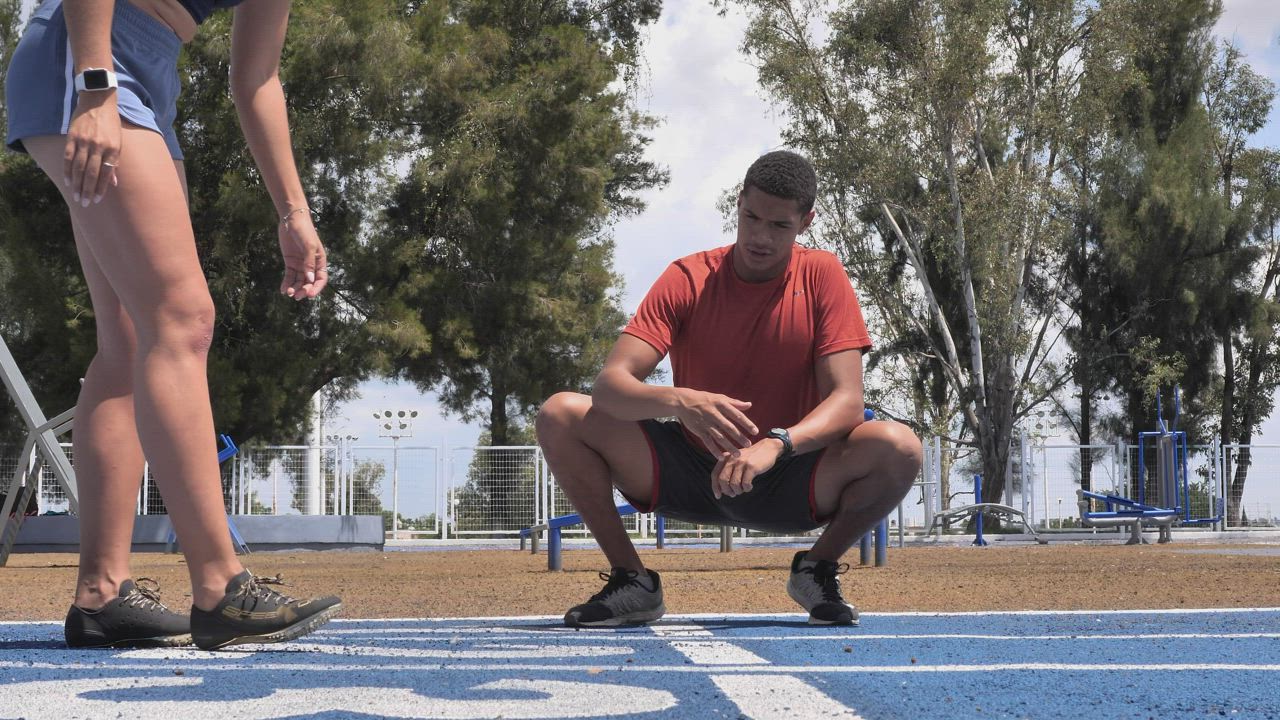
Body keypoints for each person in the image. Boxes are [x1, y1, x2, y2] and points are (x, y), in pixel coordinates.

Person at [5, 0, 341, 650]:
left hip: (145, 81)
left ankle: (103, 594)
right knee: (182, 320)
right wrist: (94, 84)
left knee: (129, 338)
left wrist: (293, 212)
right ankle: (221, 586)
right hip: (88, 57)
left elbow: (257, 81)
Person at [536, 150, 923, 627]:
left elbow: (847, 401)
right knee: (560, 413)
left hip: (792, 477)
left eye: (779, 226)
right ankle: (632, 581)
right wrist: (681, 402)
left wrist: (776, 445)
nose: (760, 236)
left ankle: (816, 568)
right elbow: (610, 387)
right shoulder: (687, 277)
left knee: (898, 445)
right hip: (690, 471)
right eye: (751, 217)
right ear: (738, 203)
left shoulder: (822, 274)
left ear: (806, 221)